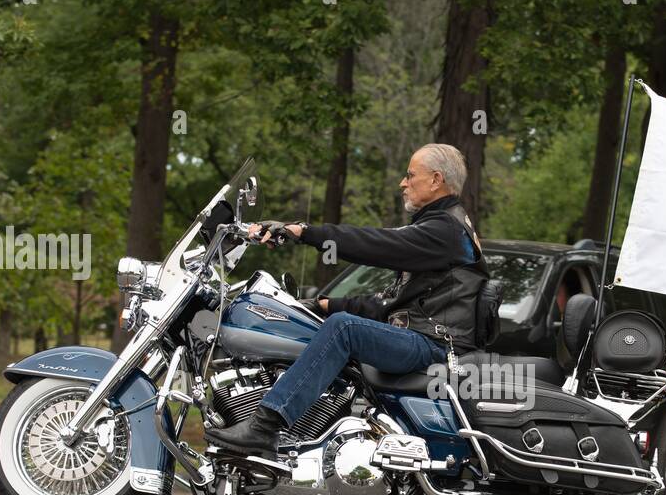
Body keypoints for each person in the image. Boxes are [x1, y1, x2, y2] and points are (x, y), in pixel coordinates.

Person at [204, 143, 487, 454]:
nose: (403, 183)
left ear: (435, 180)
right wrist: (321, 305)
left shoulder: (445, 229)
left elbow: (374, 243)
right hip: (424, 338)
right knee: (333, 322)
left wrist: (304, 232)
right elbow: (387, 303)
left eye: (410, 175)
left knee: (344, 329)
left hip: (434, 346)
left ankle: (266, 426)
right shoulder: (441, 225)